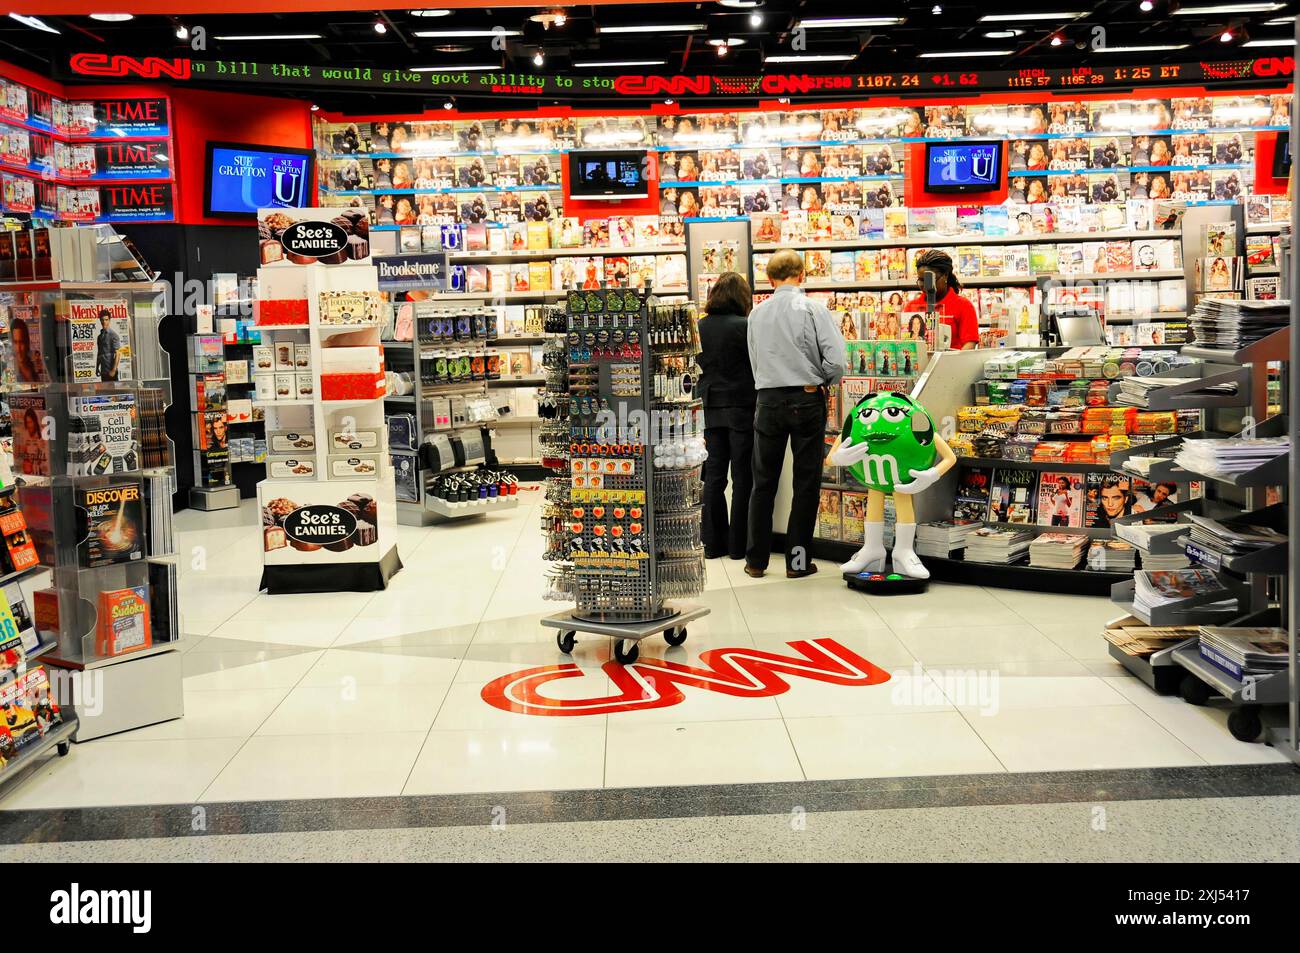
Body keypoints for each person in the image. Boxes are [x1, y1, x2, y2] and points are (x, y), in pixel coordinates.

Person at [745, 249, 848, 578]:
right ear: (801, 276)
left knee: (763, 483)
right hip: (806, 399)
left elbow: (755, 361)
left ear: (769, 279)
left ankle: (756, 562)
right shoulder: (814, 309)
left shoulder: (756, 314)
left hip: (768, 400)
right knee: (806, 483)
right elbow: (836, 362)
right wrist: (825, 381)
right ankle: (798, 563)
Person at [697, 273, 757, 561]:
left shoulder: (700, 326)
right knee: (743, 477)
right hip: (743, 406)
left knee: (713, 478)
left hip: (710, 407)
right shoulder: (746, 326)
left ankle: (711, 543)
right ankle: (738, 546)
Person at [906, 249, 978, 350]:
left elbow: (969, 344)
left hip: (952, 364)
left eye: (929, 279)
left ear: (945, 276)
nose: (925, 285)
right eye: (921, 280)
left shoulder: (964, 306)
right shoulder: (911, 306)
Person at [96, 309, 121, 381]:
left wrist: (113, 370)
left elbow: (118, 354)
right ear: (100, 320)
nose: (104, 322)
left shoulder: (113, 335)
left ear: (109, 320)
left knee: (114, 391)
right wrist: (97, 367)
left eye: (106, 320)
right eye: (102, 320)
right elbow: (99, 353)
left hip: (111, 372)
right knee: (104, 391)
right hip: (103, 372)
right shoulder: (100, 337)